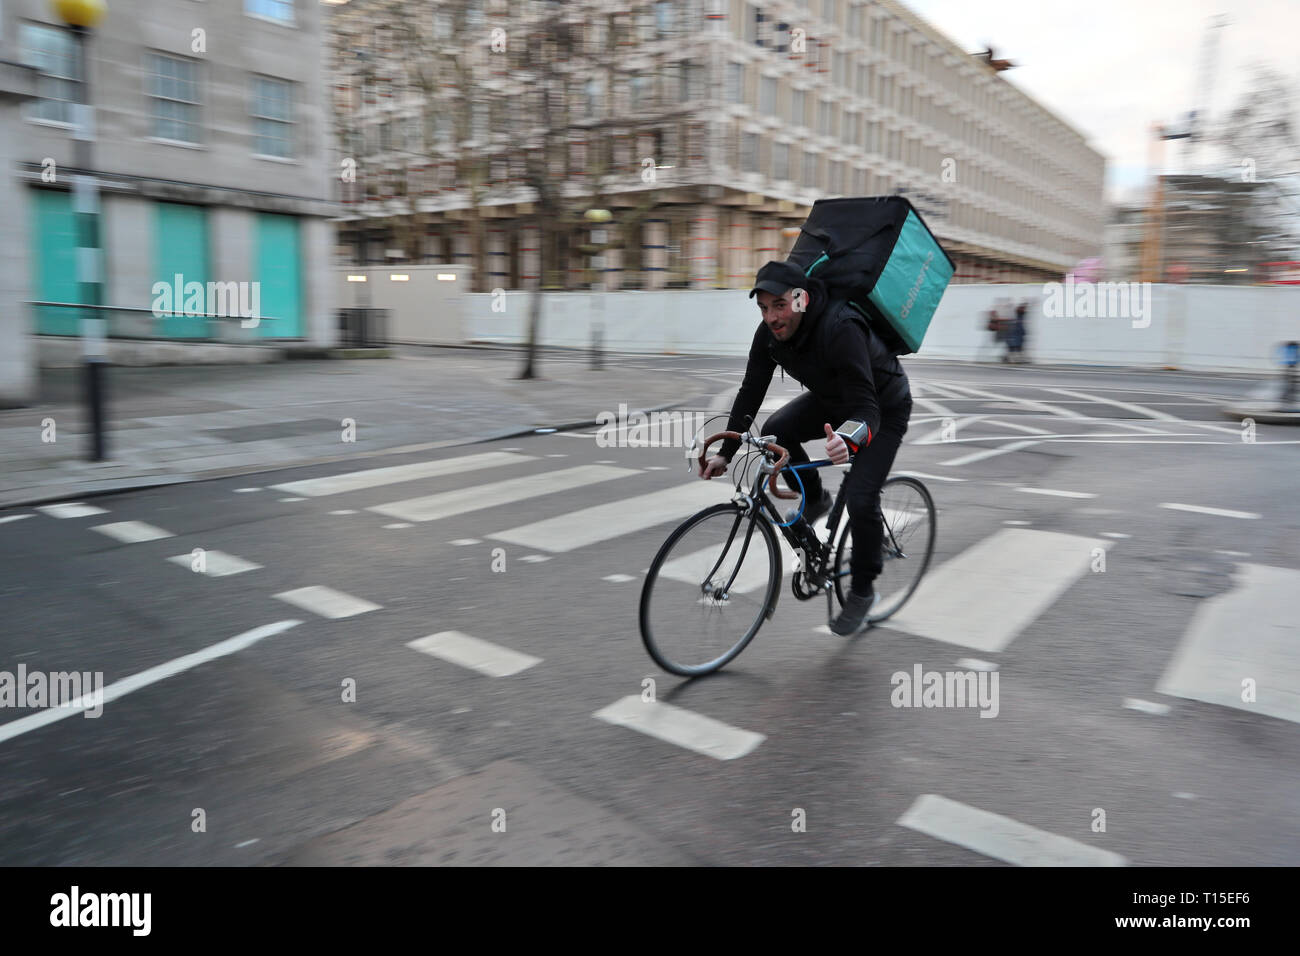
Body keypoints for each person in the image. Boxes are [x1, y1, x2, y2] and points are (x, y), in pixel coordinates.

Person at [697, 260, 913, 636]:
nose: (771, 317)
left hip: (882, 406)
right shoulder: (768, 335)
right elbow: (750, 391)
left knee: (862, 499)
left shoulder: (840, 327)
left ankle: (862, 590)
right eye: (763, 308)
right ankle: (815, 499)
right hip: (834, 399)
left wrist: (847, 439)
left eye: (779, 305)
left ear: (801, 300)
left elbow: (867, 410)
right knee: (777, 430)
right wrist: (726, 453)